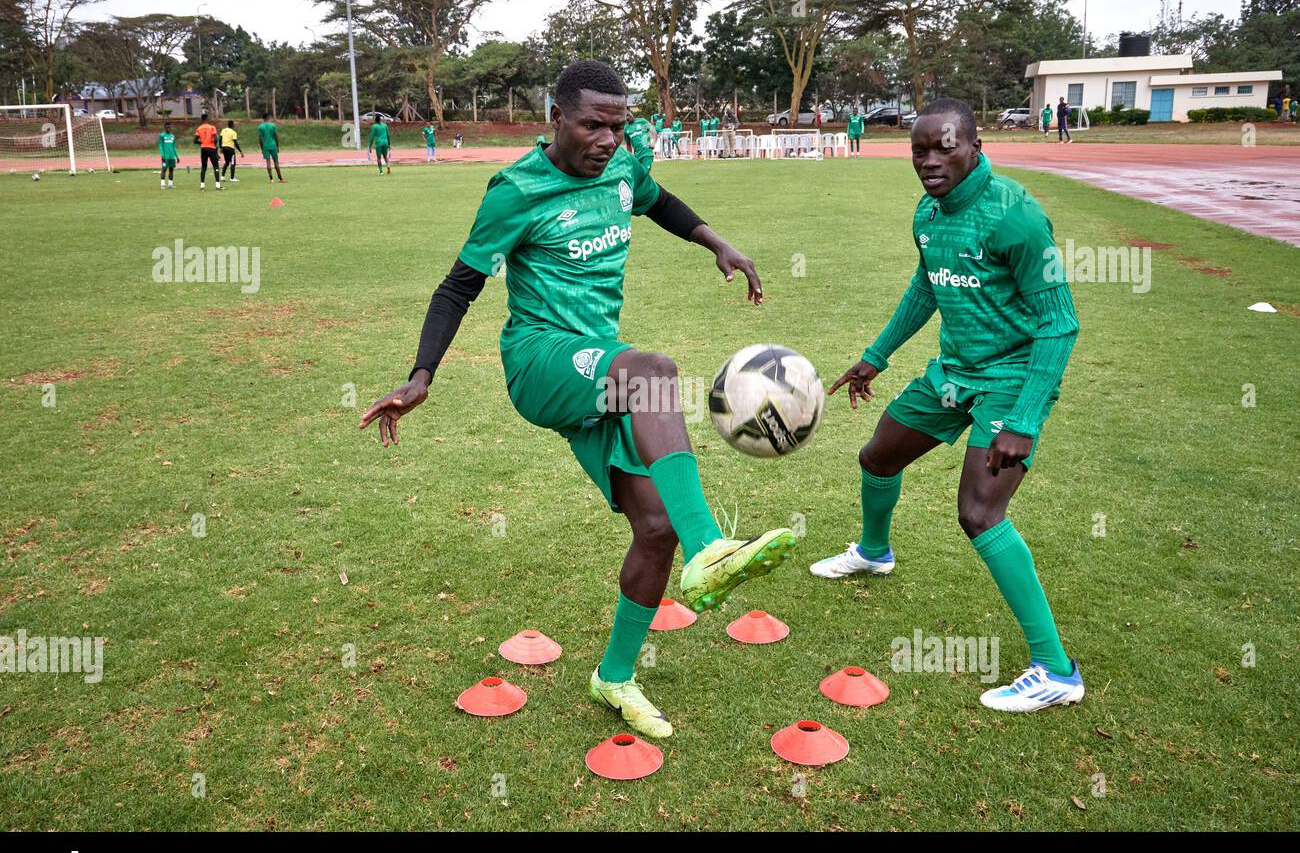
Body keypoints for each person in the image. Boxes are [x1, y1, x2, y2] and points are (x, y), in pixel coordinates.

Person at [358, 61, 796, 740]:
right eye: (593, 124)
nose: (607, 140)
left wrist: (717, 242)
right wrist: (421, 376)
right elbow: (457, 287)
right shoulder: (517, 190)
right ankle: (713, 548)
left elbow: (655, 200)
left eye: (618, 127)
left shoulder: (622, 165)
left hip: (598, 366)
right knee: (653, 371)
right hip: (540, 361)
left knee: (655, 525)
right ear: (555, 117)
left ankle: (615, 676)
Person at [811, 97, 1084, 714]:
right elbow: (926, 286)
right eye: (919, 150)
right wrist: (875, 356)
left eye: (945, 147)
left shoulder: (1013, 215)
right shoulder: (929, 211)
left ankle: (1056, 670)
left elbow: (1060, 324)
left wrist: (1024, 419)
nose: (930, 161)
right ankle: (874, 553)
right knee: (878, 456)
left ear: (975, 147)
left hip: (1011, 380)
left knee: (980, 514)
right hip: (951, 375)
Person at [194, 113, 221, 190]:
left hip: (203, 149)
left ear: (202, 119)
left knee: (204, 167)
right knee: (216, 166)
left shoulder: (199, 128)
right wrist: (215, 148)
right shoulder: (212, 127)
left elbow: (195, 140)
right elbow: (216, 139)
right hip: (211, 148)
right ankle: (218, 185)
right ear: (207, 119)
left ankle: (202, 185)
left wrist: (202, 142)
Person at [257, 112, 285, 183]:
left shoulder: (260, 127)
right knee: (276, 161)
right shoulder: (273, 125)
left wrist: (262, 148)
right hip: (273, 145)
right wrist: (277, 146)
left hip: (265, 146)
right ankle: (280, 178)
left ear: (263, 118)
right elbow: (276, 136)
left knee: (268, 162)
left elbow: (260, 139)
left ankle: (271, 179)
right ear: (268, 117)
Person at [158, 122, 178, 189]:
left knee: (171, 170)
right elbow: (160, 146)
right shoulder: (162, 135)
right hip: (165, 157)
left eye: (169, 127)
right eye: (167, 127)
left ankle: (170, 185)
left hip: (172, 156)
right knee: (164, 169)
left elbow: (174, 147)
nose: (168, 128)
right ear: (165, 128)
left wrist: (177, 156)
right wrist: (162, 155)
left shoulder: (173, 136)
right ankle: (162, 185)